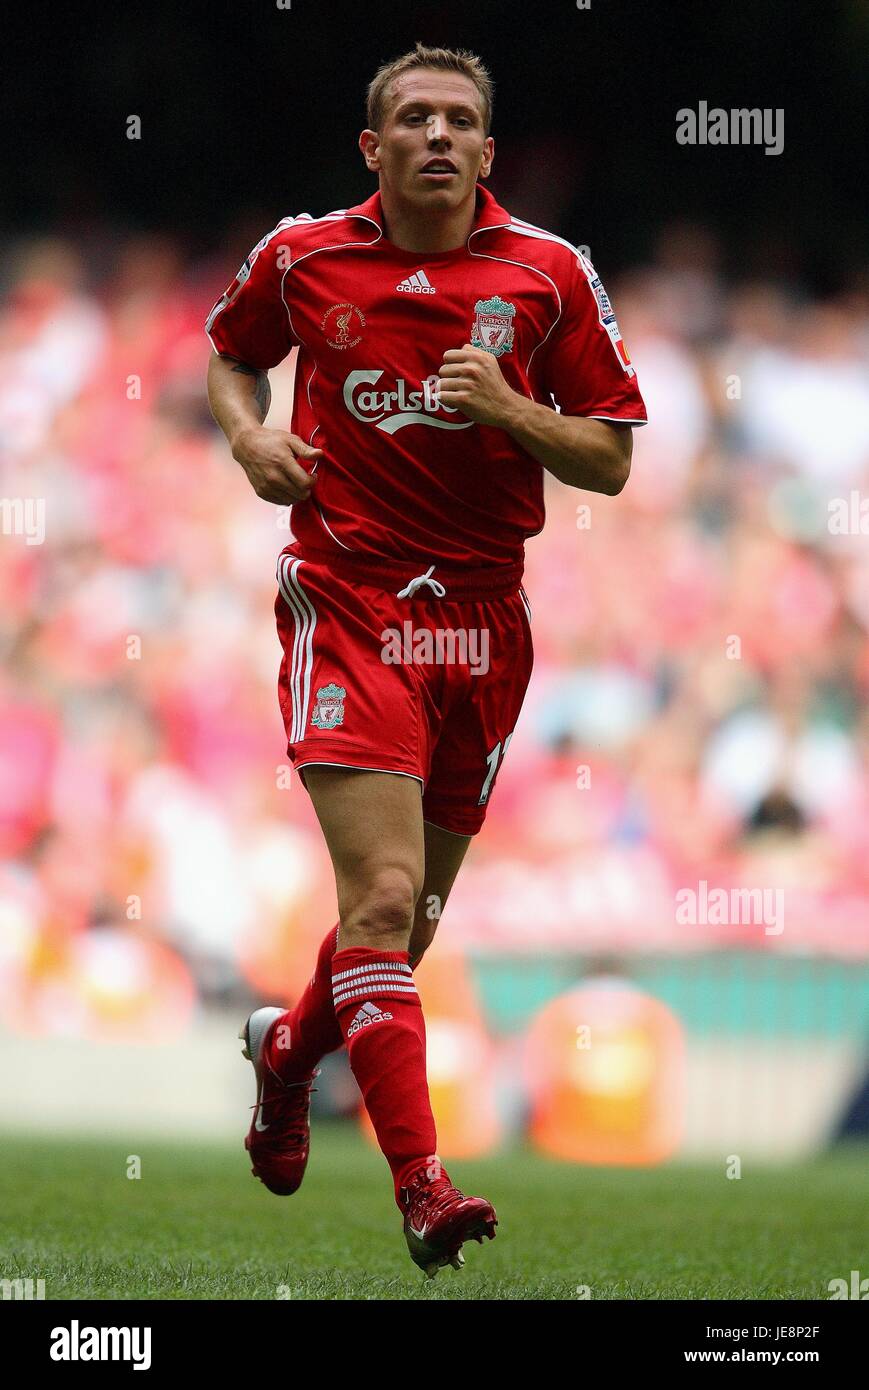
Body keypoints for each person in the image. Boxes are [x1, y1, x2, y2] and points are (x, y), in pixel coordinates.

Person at [206, 42, 646, 1278]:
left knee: (402, 931)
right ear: (374, 147)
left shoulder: (548, 274)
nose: (439, 135)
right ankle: (422, 1186)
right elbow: (230, 353)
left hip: (482, 624)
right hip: (346, 601)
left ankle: (287, 1056)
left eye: (461, 120)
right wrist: (250, 442)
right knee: (385, 901)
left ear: (487, 152)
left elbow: (609, 458)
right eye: (414, 118)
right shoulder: (301, 256)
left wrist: (507, 408)